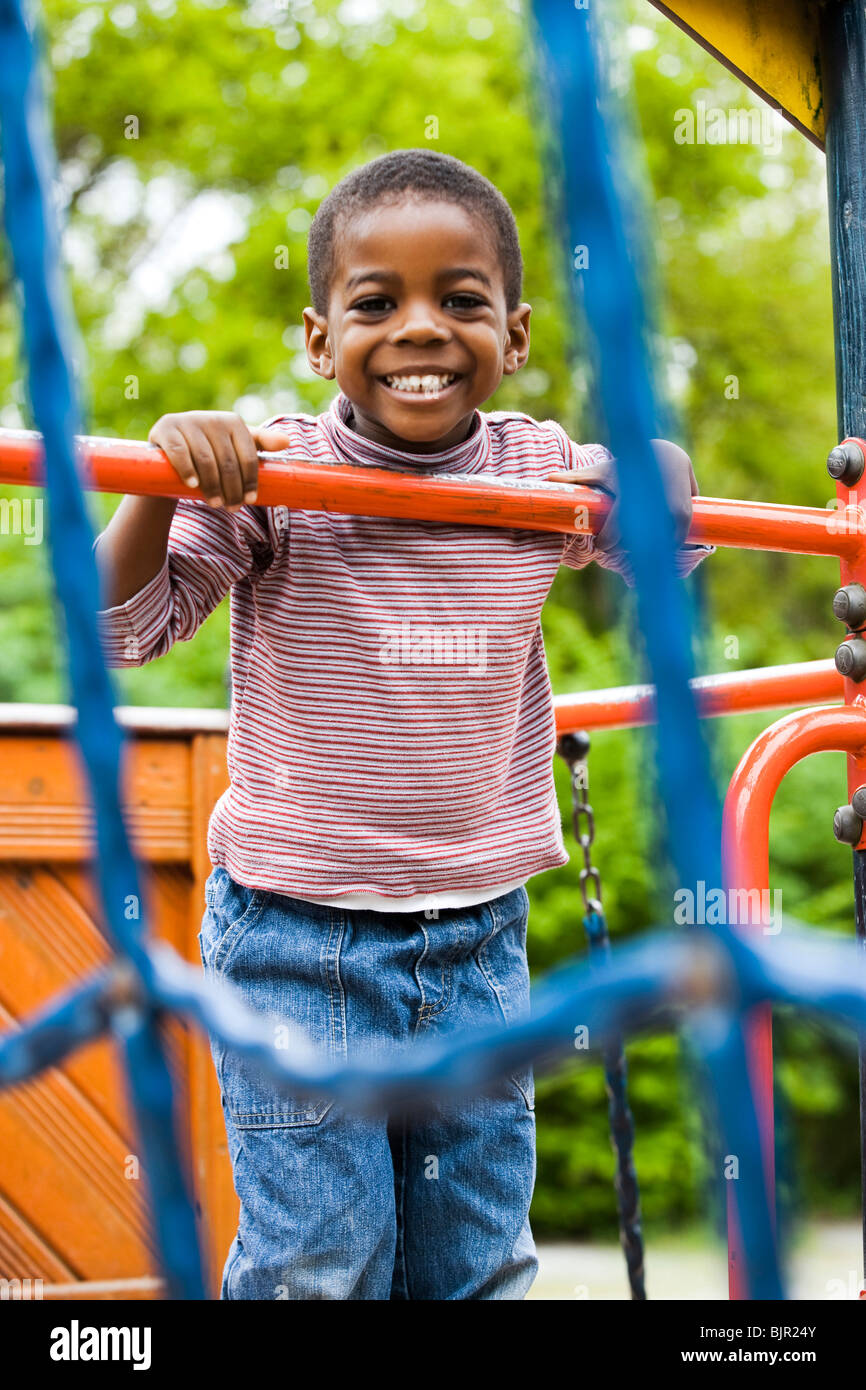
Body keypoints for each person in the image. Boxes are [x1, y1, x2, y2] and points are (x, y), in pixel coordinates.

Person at [94, 148, 713, 1300]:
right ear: (321, 339)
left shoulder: (532, 473)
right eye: (376, 304)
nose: (420, 329)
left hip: (477, 935)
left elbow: (663, 551)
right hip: (294, 939)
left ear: (514, 335)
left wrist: (659, 469)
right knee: (321, 1262)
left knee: (475, 1260)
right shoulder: (276, 474)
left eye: (460, 301)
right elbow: (120, 631)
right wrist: (156, 481)